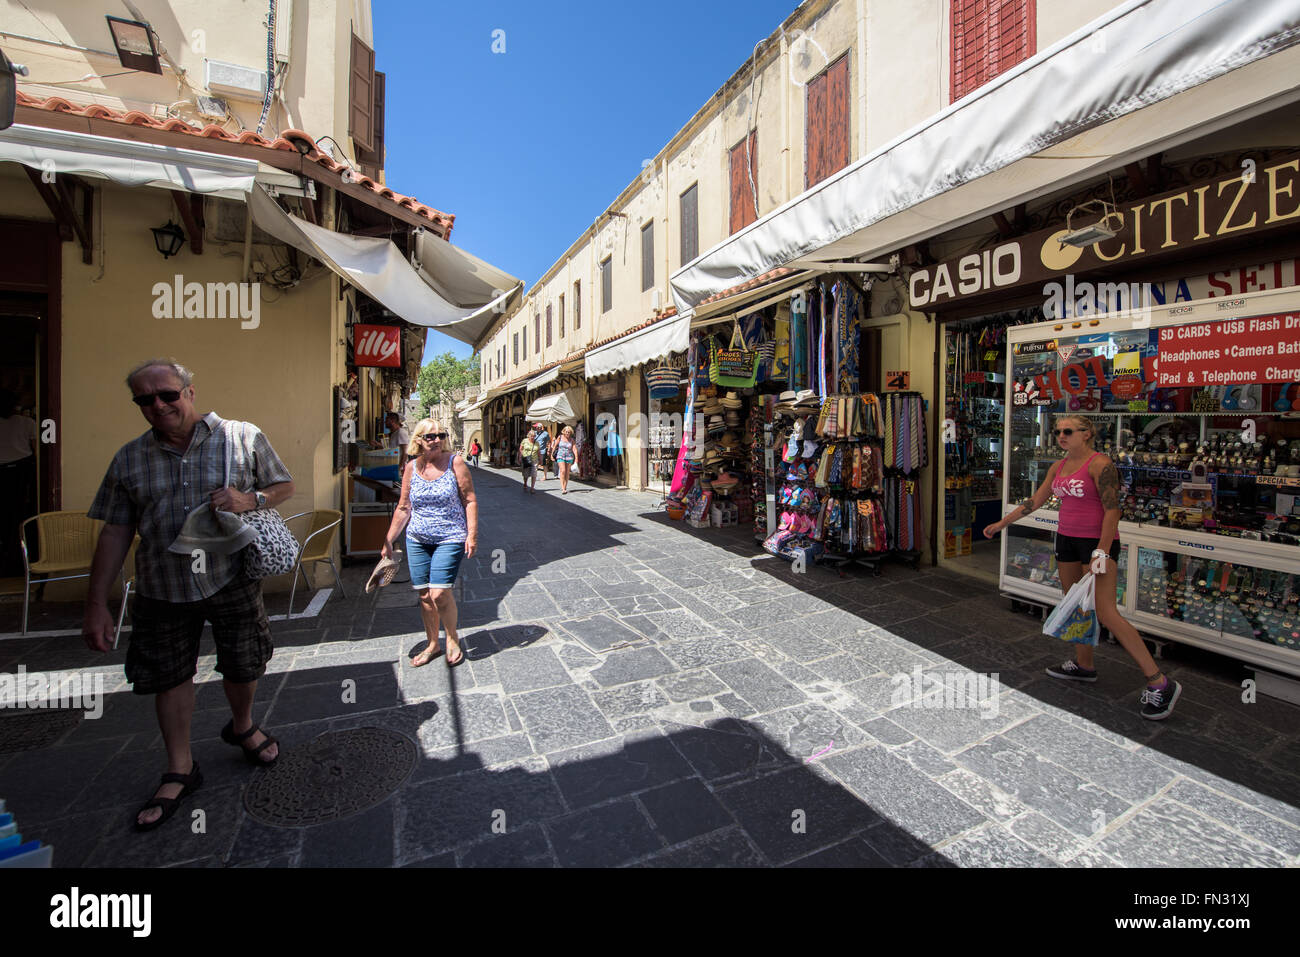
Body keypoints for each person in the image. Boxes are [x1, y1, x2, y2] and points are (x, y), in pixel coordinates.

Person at [82, 359, 295, 831]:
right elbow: (116, 531)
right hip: (163, 584)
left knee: (244, 662)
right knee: (170, 675)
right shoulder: (129, 458)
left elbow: (283, 485)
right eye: (145, 399)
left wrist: (250, 499)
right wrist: (97, 601)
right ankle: (180, 766)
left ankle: (242, 726)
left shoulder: (242, 436)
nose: (157, 405)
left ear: (190, 392)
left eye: (167, 395)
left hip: (232, 576)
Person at [983, 413, 1181, 720]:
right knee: (1076, 606)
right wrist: (1002, 523)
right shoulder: (1059, 466)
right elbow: (1034, 501)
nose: (1061, 435)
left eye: (1068, 431)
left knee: (1107, 613)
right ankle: (1085, 665)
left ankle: (1160, 682)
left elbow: (1113, 511)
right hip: (1067, 540)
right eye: (1058, 431)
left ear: (1087, 434)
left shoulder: (1101, 465)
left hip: (1096, 544)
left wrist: (1101, 551)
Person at [381, 420, 478, 667]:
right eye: (430, 436)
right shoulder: (412, 467)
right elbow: (404, 507)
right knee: (425, 596)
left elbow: (469, 499)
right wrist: (389, 539)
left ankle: (452, 638)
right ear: (418, 441)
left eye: (440, 435)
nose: (436, 439)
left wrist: (472, 534)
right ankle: (433, 643)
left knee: (439, 592)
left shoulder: (455, 462)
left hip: (450, 536)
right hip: (417, 539)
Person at [0, 388, 38, 577]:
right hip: (21, 471)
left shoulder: (26, 422)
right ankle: (15, 555)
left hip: (10, 470)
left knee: (7, 515)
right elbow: (35, 449)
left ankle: (9, 555)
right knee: (19, 513)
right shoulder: (27, 423)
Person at [555, 425, 576, 494]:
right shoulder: (560, 437)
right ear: (564, 432)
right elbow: (555, 446)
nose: (567, 433)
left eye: (569, 432)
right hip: (560, 456)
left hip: (569, 456)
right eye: (566, 432)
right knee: (563, 471)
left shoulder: (572, 440)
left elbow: (574, 449)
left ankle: (565, 486)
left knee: (567, 472)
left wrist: (576, 458)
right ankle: (563, 488)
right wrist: (551, 454)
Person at [519, 429, 539, 493]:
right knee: (526, 474)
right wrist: (520, 457)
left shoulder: (536, 442)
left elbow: (539, 451)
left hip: (534, 459)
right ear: (528, 436)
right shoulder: (524, 441)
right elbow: (521, 449)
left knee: (534, 473)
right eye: (531, 436)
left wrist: (540, 459)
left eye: (534, 436)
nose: (532, 437)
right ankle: (525, 483)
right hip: (526, 459)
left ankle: (532, 488)